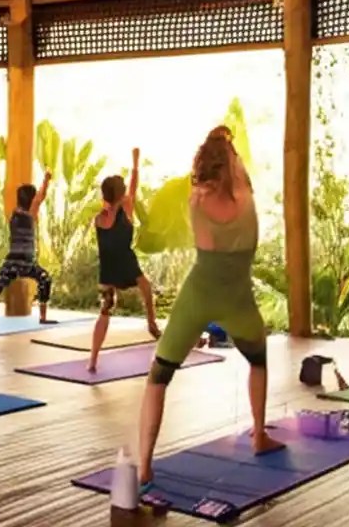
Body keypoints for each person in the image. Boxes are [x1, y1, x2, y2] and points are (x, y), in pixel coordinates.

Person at [138, 127, 282, 489]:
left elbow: (206, 184)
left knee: (159, 376)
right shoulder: (247, 196)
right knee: (258, 360)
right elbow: (241, 174)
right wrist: (230, 150)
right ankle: (259, 435)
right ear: (232, 166)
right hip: (237, 297)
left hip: (199, 293)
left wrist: (217, 147)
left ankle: (144, 467)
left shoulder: (196, 200)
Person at [88, 147, 161, 372]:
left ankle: (93, 360)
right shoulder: (126, 209)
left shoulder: (99, 218)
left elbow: (120, 196)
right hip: (125, 264)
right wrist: (135, 162)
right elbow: (134, 185)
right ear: (121, 195)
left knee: (105, 310)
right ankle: (152, 324)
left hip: (108, 269)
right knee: (146, 287)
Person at [0, 171, 56, 331]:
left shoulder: (15, 214)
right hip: (25, 263)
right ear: (30, 200)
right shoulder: (30, 214)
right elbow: (41, 197)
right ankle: (43, 317)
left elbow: (37, 198)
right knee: (45, 279)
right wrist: (46, 179)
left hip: (13, 262)